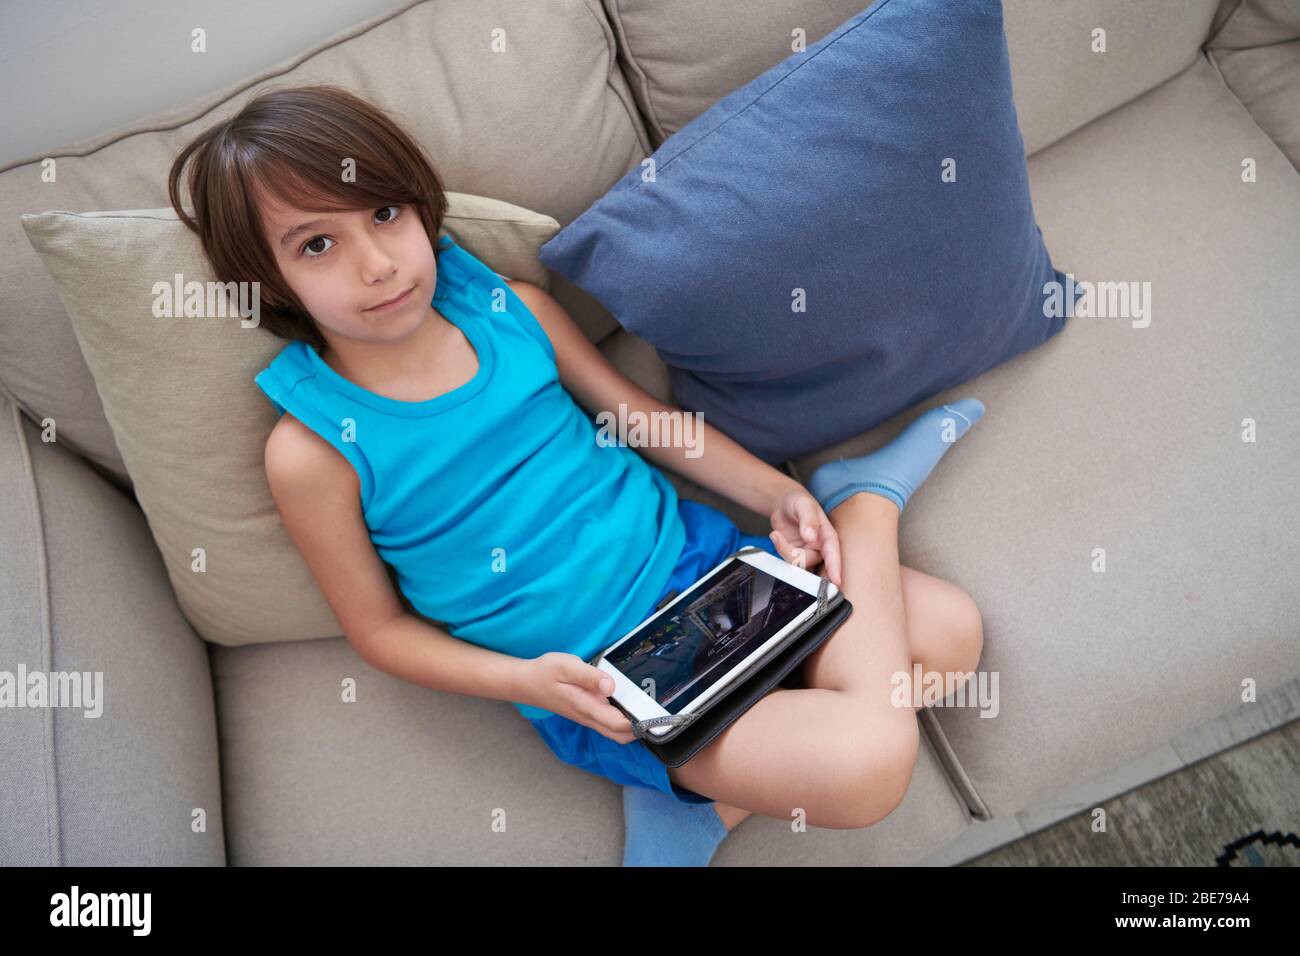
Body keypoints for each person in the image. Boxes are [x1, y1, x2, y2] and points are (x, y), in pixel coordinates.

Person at [168, 84, 986, 867]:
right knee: (865, 770)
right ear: (270, 283)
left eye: (384, 214)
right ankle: (869, 506)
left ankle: (706, 787)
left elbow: (642, 419)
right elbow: (378, 632)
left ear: (418, 204)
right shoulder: (310, 450)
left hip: (707, 573)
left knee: (952, 633)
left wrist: (773, 492)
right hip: (611, 676)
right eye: (318, 244)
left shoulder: (508, 309)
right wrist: (527, 682)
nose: (377, 264)